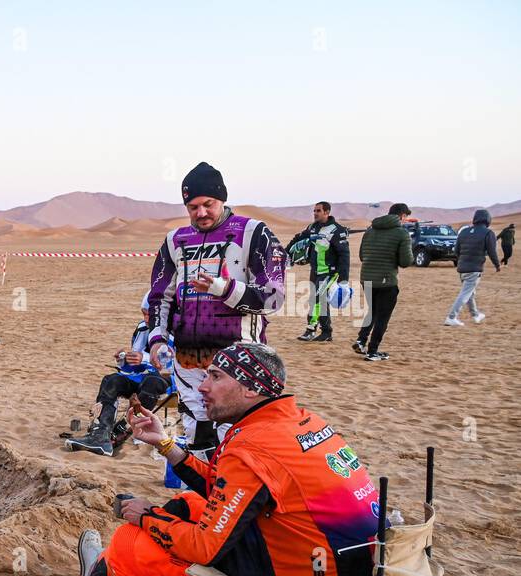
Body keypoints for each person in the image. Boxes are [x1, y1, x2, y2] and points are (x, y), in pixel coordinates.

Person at [75, 342, 379, 576]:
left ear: (249, 388)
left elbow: (205, 548)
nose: (203, 386)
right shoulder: (301, 423)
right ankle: (105, 572)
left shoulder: (253, 448)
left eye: (216, 377)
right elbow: (230, 489)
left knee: (130, 541)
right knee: (188, 504)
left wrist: (146, 516)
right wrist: (166, 444)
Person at [145, 162, 286, 454]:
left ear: (221, 198)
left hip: (237, 355)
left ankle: (233, 493)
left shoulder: (253, 232)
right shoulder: (175, 240)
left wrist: (223, 289)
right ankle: (198, 493)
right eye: (192, 207)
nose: (201, 213)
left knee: (234, 431)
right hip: (186, 355)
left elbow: (274, 297)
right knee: (194, 425)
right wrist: (157, 339)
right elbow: (160, 295)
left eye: (208, 204)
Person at [67, 318, 172, 457]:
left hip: (166, 381)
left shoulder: (176, 327)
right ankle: (100, 435)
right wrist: (124, 361)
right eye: (144, 313)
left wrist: (144, 358)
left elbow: (172, 364)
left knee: (152, 382)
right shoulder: (142, 327)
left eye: (150, 313)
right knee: (112, 380)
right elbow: (136, 367)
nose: (147, 318)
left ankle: (121, 432)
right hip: (139, 377)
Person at [355, 203, 414, 360]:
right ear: (401, 215)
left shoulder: (369, 231)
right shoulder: (402, 234)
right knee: (382, 317)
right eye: (405, 217)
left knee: (372, 311)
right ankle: (373, 351)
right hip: (387, 281)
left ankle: (361, 340)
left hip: (366, 278)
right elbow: (405, 261)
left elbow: (362, 256)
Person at [286, 201, 350, 342]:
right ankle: (326, 332)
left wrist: (343, 280)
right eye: (314, 210)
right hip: (315, 271)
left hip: (330, 272)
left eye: (318, 211)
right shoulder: (313, 227)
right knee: (317, 300)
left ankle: (311, 330)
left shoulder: (336, 230)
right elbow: (299, 237)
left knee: (317, 300)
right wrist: (286, 252)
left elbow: (344, 255)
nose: (315, 213)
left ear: (327, 212)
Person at [445, 209, 500, 327]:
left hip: (462, 268)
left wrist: (462, 261)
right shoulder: (488, 233)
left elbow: (456, 251)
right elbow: (492, 252)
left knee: (469, 293)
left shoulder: (464, 232)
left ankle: (475, 315)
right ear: (487, 219)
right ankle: (451, 317)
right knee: (465, 293)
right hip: (474, 268)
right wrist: (497, 264)